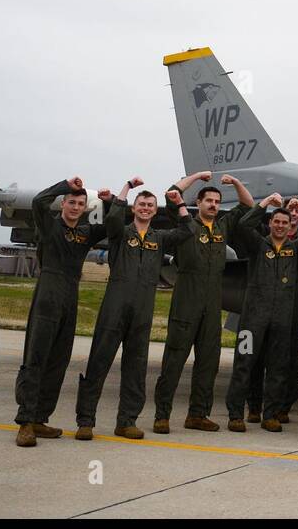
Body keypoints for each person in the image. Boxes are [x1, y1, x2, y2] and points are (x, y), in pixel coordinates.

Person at [76, 182, 192, 439]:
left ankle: (126, 421)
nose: (146, 208)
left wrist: (180, 203)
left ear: (154, 211)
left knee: (136, 366)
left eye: (150, 205)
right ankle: (86, 421)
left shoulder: (159, 238)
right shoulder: (120, 233)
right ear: (134, 208)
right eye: (142, 204)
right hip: (115, 306)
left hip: (143, 309)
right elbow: (114, 217)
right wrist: (126, 189)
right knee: (99, 361)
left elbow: (187, 231)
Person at [152, 171, 255, 434]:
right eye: (208, 200)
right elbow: (171, 193)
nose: (213, 205)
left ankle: (197, 415)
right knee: (174, 359)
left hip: (212, 302)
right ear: (198, 203)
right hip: (187, 298)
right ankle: (161, 415)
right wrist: (197, 177)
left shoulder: (222, 227)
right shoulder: (186, 225)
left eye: (216, 202)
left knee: (208, 361)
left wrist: (236, 183)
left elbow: (248, 205)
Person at [15, 176, 110, 447]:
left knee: (59, 359)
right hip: (48, 291)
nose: (75, 207)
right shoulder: (50, 226)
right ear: (64, 204)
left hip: (71, 293)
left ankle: (40, 419)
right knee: (36, 357)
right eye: (71, 202)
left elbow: (109, 226)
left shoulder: (84, 232)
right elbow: (38, 201)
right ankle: (24, 422)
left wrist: (109, 201)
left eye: (80, 203)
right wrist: (65, 184)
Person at [224, 194, 298, 432]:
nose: (280, 225)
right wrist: (264, 204)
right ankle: (235, 415)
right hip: (251, 320)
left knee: (278, 367)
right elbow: (243, 225)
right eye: (276, 222)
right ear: (270, 224)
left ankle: (270, 415)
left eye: (284, 222)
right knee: (244, 364)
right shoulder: (258, 245)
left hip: (281, 321)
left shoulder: (295, 249)